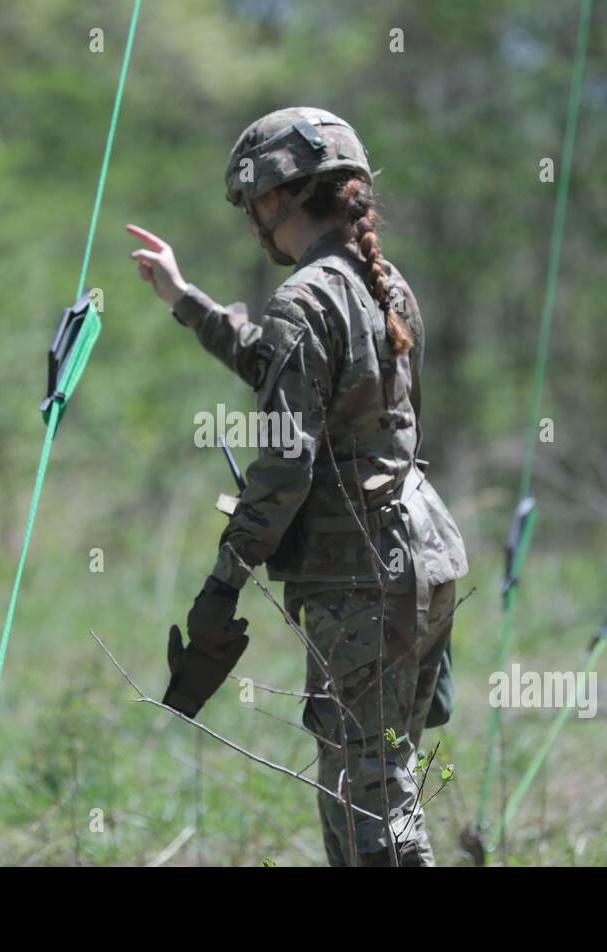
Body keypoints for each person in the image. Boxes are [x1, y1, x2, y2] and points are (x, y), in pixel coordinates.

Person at [126, 107, 468, 866]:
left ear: (276, 198)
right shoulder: (385, 286)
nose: (255, 225)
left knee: (366, 801)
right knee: (386, 780)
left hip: (364, 578)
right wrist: (187, 300)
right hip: (425, 554)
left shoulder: (306, 297)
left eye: (252, 208)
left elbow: (285, 464)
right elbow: (284, 371)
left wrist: (223, 583)